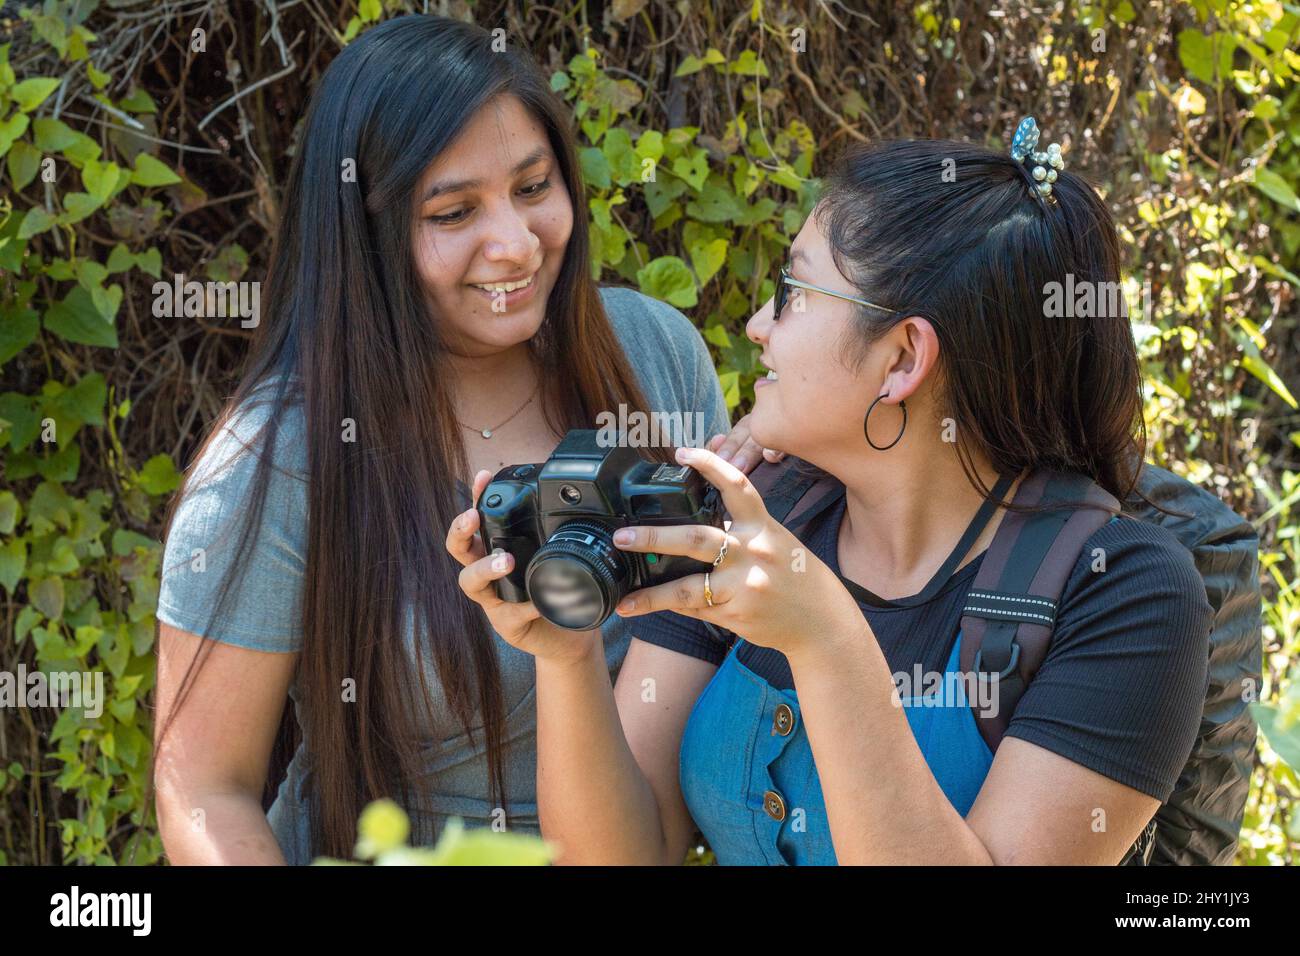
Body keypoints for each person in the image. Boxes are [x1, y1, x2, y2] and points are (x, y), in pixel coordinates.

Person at [450, 125, 1214, 865]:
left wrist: (826, 639)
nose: (756, 326)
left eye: (791, 293)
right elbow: (624, 855)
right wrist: (568, 659)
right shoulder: (763, 514)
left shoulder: (1124, 597)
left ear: (903, 358)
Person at [151, 14, 775, 865]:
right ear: (365, 233)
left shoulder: (653, 353)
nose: (514, 246)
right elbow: (200, 787)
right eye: (452, 211)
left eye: (531, 188)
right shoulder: (279, 456)